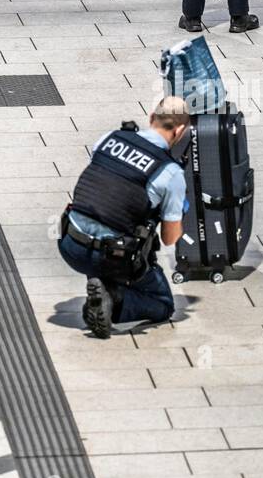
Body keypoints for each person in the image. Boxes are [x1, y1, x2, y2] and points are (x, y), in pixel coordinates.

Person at [59, 97, 190, 337]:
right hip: (111, 256)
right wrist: (178, 211)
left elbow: (105, 189)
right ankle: (113, 298)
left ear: (151, 117)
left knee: (108, 221)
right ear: (180, 131)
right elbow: (170, 238)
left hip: (70, 243)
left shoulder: (110, 138)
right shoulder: (171, 173)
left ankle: (103, 285)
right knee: (163, 305)